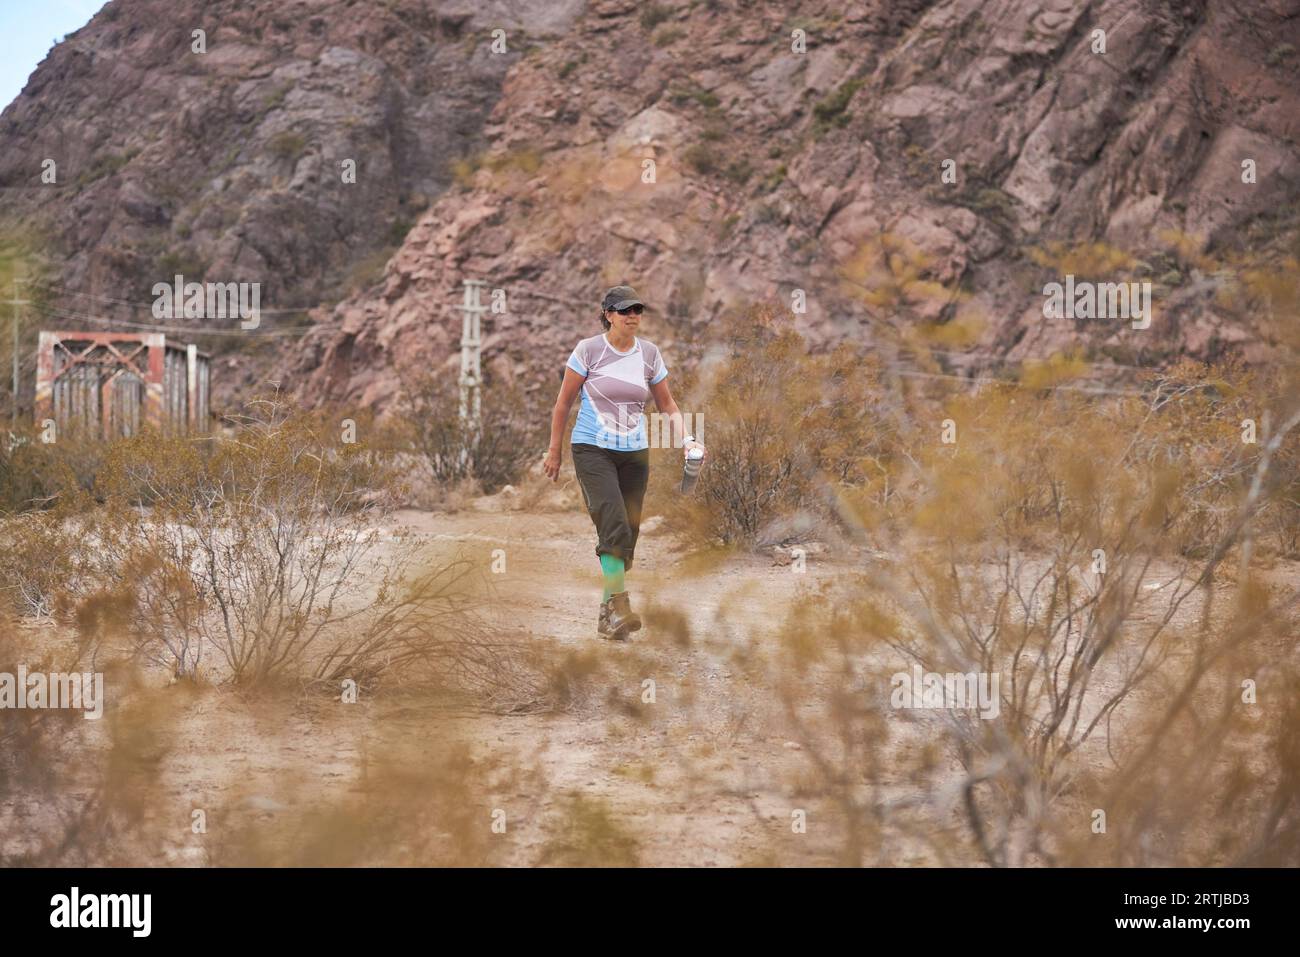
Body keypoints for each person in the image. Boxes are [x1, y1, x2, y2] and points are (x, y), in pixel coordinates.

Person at [542, 284, 706, 640]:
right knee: (613, 523)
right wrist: (554, 450)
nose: (633, 316)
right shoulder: (588, 350)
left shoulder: (649, 353)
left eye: (637, 310)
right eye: (625, 310)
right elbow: (563, 404)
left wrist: (687, 439)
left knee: (627, 535)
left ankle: (607, 617)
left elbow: (667, 405)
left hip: (634, 453)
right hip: (592, 448)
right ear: (608, 315)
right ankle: (620, 607)